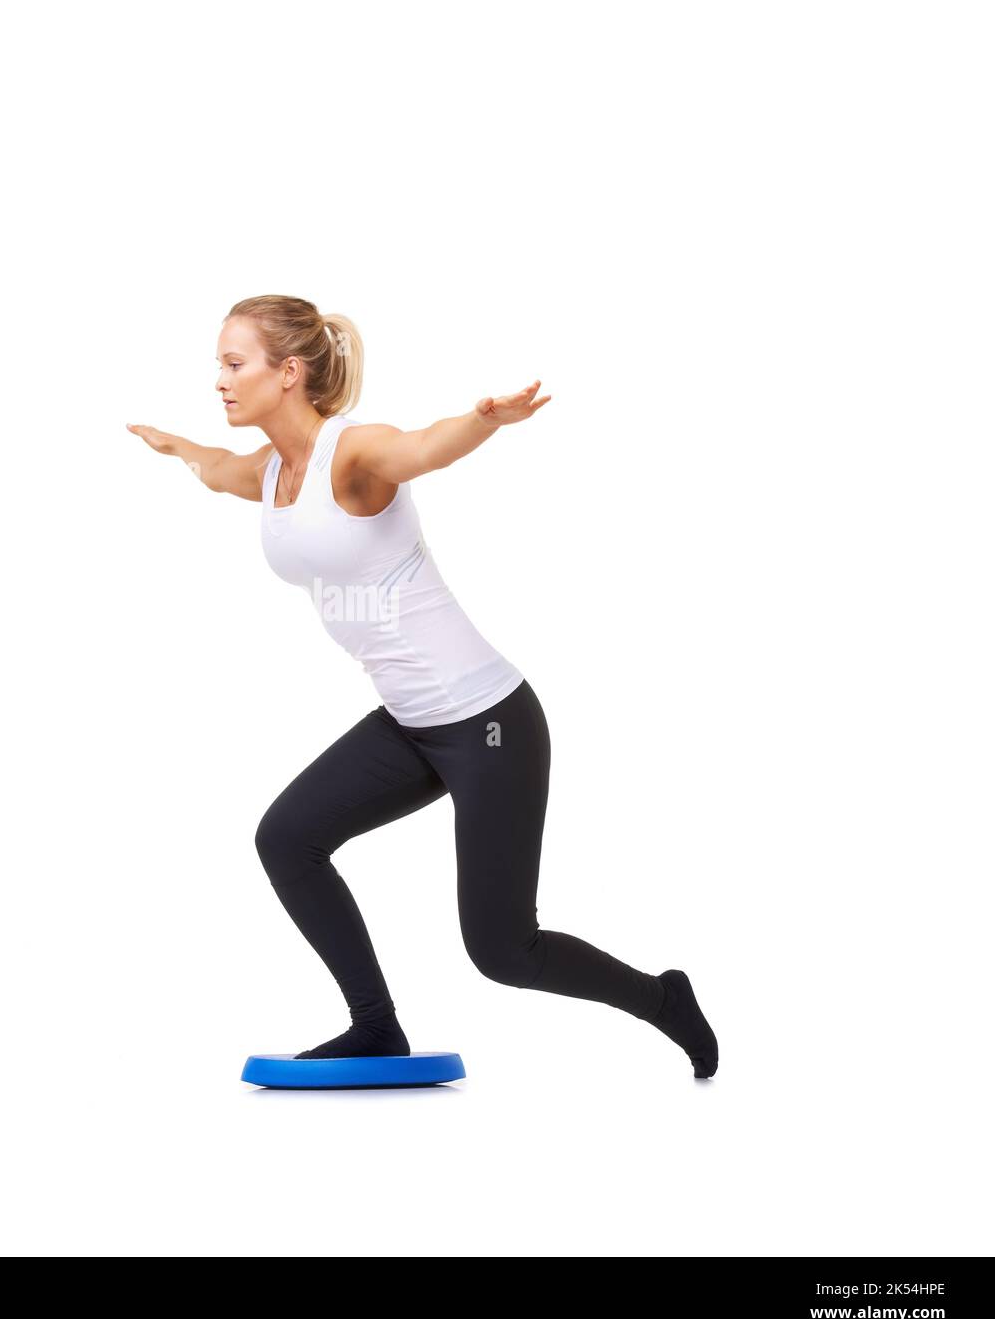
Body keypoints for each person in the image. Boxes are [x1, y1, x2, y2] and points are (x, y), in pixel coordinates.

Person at [128, 295, 718, 1078]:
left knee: (504, 950)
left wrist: (483, 422)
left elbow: (425, 448)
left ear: (290, 372)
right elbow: (215, 469)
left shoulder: (355, 454)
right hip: (410, 725)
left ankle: (663, 1000)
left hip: (488, 724)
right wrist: (174, 447)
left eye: (234, 364)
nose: (220, 381)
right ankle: (375, 1026)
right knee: (287, 839)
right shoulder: (269, 472)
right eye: (219, 366)